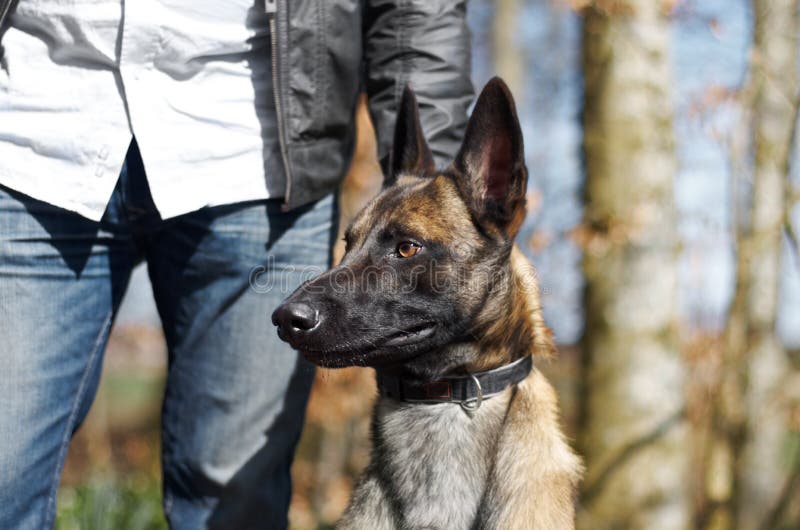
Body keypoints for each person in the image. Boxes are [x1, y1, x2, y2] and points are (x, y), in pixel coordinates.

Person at [0, 0, 472, 528]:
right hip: (28, 144)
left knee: (235, 498)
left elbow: (411, 12)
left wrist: (447, 203)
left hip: (256, 162)